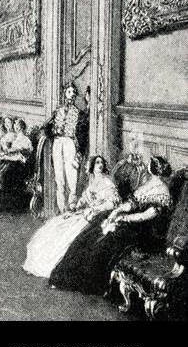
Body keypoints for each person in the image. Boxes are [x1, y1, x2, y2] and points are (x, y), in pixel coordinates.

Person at [49, 155, 175, 294]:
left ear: (154, 169)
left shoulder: (163, 190)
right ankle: (63, 276)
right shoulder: (148, 183)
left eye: (150, 164)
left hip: (144, 232)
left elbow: (146, 215)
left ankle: (88, 283)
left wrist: (123, 219)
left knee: (103, 243)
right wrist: (115, 212)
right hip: (131, 222)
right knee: (89, 235)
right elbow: (131, 204)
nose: (147, 167)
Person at [23, 154, 119, 279]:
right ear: (91, 166)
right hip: (85, 212)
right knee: (57, 225)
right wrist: (76, 205)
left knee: (70, 234)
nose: (100, 165)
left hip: (97, 214)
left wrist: (95, 209)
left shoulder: (107, 182)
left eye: (101, 163)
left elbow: (111, 203)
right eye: (97, 163)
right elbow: (84, 198)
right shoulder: (93, 181)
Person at [47, 83, 83, 212]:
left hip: (70, 143)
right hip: (58, 143)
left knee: (72, 174)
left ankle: (72, 205)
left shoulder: (79, 113)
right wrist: (53, 131)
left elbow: (81, 133)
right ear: (64, 94)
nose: (71, 95)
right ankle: (61, 208)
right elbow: (48, 128)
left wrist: (79, 151)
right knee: (59, 175)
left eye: (73, 93)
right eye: (69, 92)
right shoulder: (57, 111)